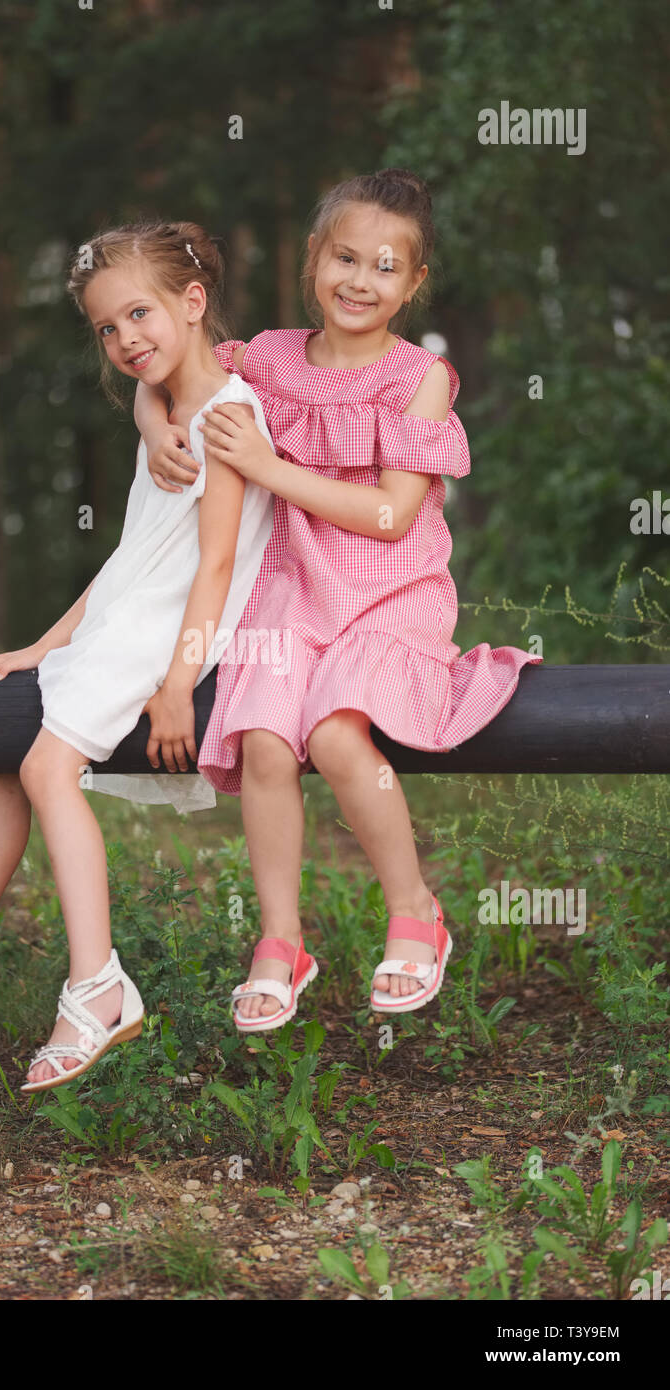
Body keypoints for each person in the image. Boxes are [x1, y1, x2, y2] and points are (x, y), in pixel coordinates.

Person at [0, 220, 276, 1088]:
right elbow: (135, 558)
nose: (126, 341)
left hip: (170, 638)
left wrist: (178, 683)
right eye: (106, 329)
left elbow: (218, 563)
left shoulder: (229, 417)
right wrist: (47, 642)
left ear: (193, 304)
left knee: (49, 771)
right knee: (7, 761)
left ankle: (96, 984)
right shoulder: (161, 411)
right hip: (126, 621)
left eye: (139, 316)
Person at [135, 170, 543, 1032]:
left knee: (333, 729)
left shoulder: (419, 377)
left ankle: (414, 910)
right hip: (287, 586)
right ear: (312, 258)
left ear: (413, 283)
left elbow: (393, 515)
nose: (361, 281)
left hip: (390, 591)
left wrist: (269, 467)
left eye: (386, 267)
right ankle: (282, 940)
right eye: (345, 258)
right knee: (266, 741)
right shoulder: (271, 357)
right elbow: (172, 360)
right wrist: (151, 420)